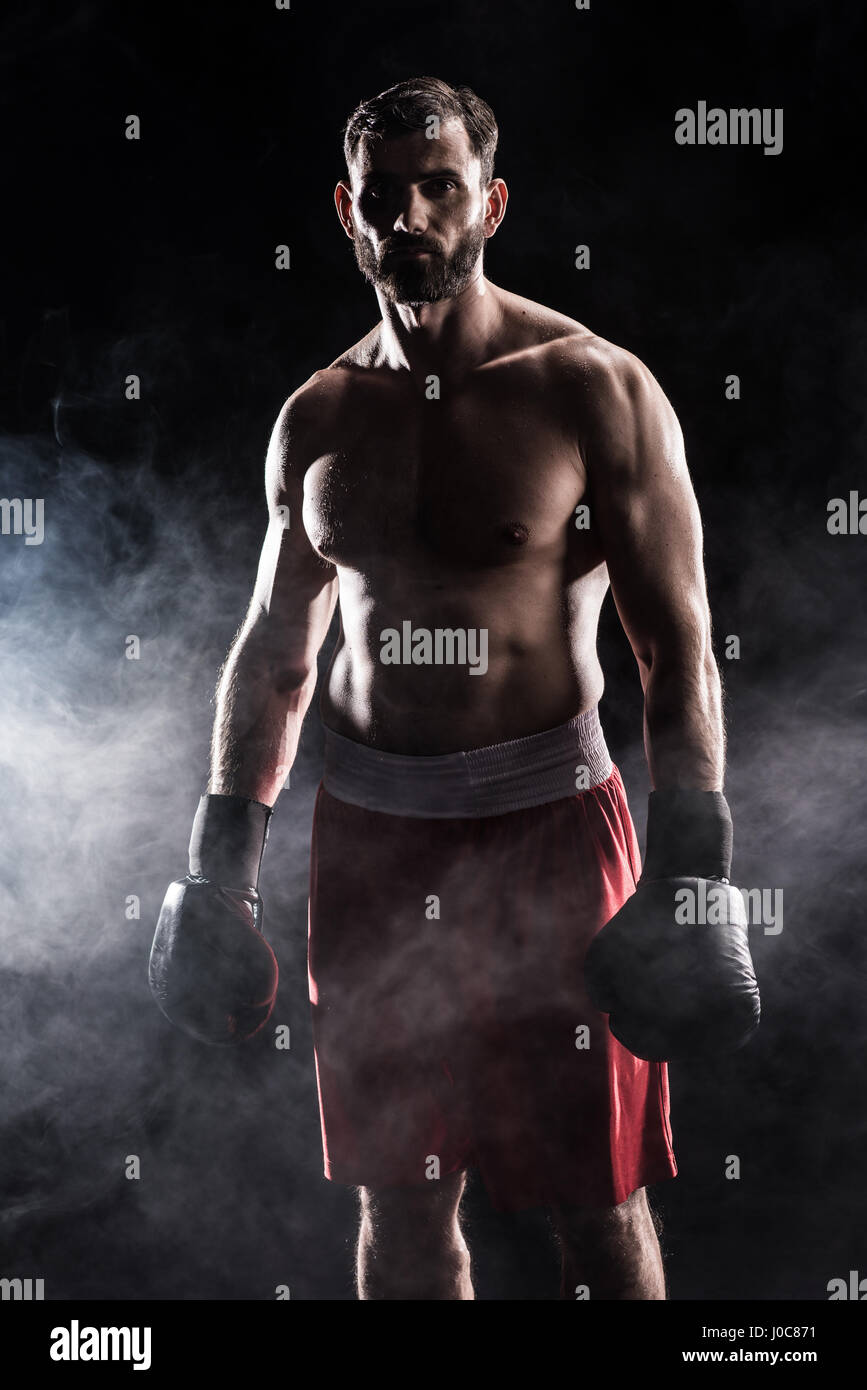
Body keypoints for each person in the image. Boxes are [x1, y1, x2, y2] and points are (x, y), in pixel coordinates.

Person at [149, 76, 759, 1300]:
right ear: (347, 212)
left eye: (441, 189)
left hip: (553, 829)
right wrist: (221, 863)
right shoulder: (317, 418)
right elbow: (276, 650)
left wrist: (695, 864)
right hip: (375, 839)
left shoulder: (590, 386)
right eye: (385, 197)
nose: (411, 218)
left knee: (596, 1197)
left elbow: (677, 645)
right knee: (402, 1195)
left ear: (491, 206)